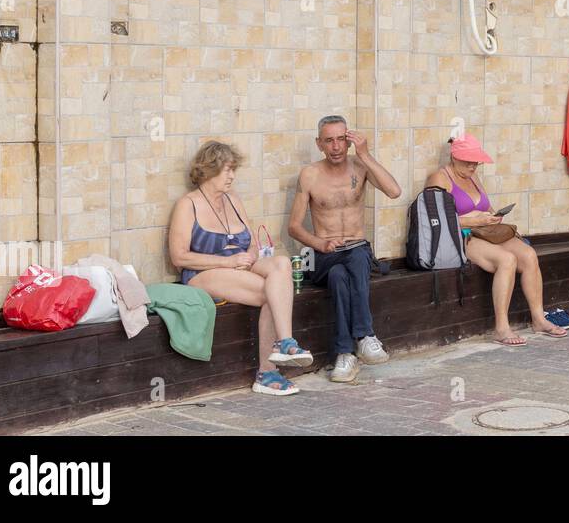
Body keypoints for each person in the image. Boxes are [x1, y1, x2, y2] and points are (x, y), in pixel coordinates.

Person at [168, 140, 313, 396]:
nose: (232, 176)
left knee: (281, 264)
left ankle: (285, 342)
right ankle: (268, 372)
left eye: (233, 170)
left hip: (239, 267)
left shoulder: (232, 199)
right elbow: (179, 257)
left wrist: (251, 254)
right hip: (202, 273)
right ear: (209, 170)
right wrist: (228, 262)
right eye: (227, 170)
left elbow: (252, 242)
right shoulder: (188, 204)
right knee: (271, 292)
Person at [288, 115, 403, 383]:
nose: (336, 146)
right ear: (319, 144)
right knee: (354, 258)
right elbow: (294, 227)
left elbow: (394, 191)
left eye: (341, 139)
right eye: (329, 140)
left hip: (354, 252)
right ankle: (365, 335)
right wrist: (321, 243)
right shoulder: (310, 175)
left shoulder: (360, 167)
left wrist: (365, 154)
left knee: (341, 275)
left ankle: (345, 354)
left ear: (349, 141)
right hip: (323, 255)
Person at [426, 133, 568, 346]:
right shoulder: (439, 178)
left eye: (476, 162)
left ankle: (539, 319)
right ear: (454, 157)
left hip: (487, 231)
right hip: (461, 236)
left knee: (528, 255)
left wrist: (493, 216)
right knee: (506, 259)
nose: (473, 166)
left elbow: (485, 207)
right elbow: (436, 220)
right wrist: (474, 221)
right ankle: (501, 328)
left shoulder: (473, 177)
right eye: (468, 161)